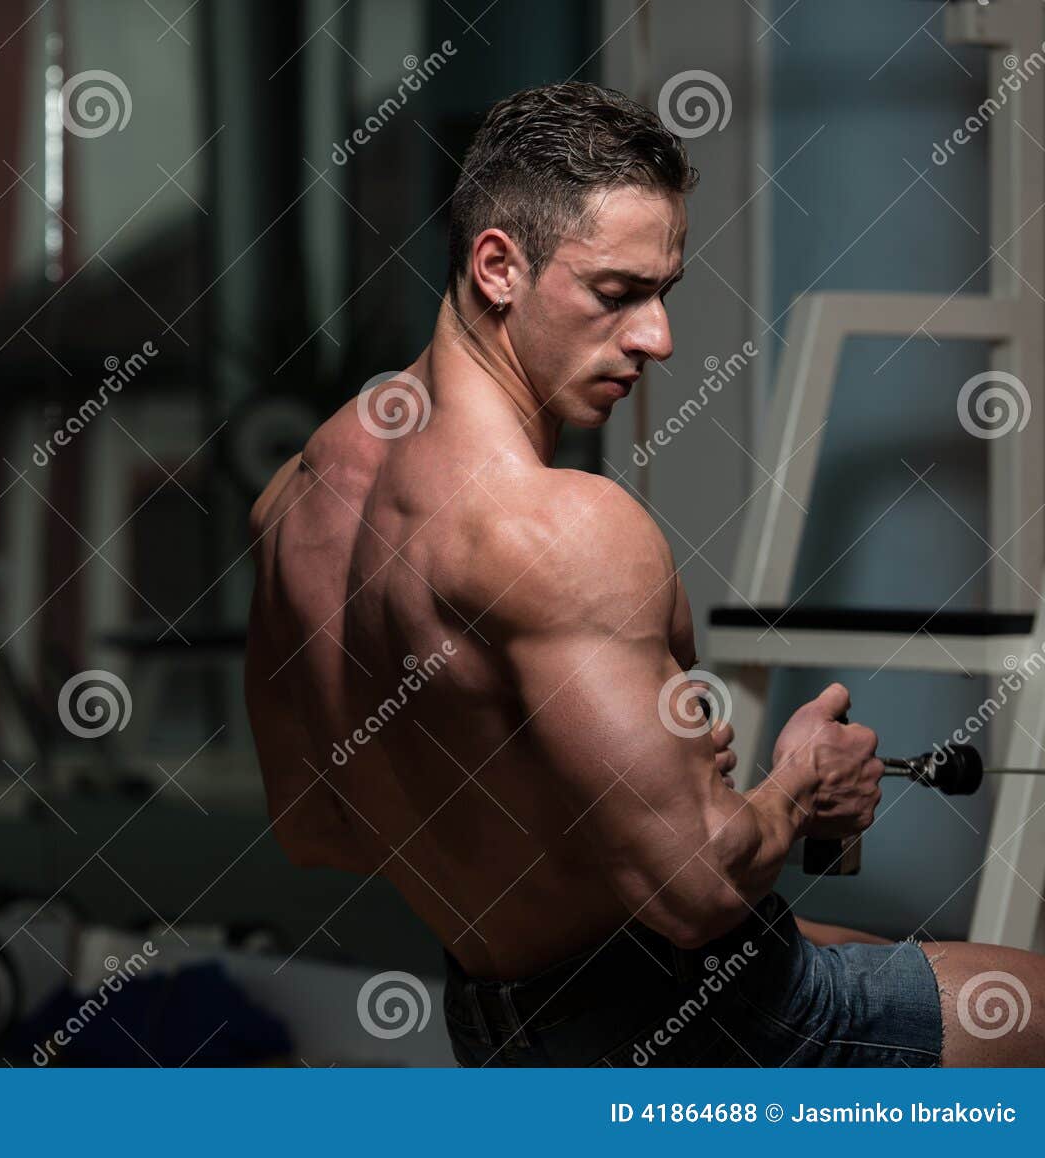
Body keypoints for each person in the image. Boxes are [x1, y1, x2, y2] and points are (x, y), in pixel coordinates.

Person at [243, 81, 1045, 1066]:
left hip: (504, 1030)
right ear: (498, 265)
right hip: (691, 1022)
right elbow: (699, 890)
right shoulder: (562, 529)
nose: (656, 339)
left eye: (664, 292)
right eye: (617, 294)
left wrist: (568, 819)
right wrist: (795, 787)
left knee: (900, 962)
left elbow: (316, 826)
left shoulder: (298, 498)